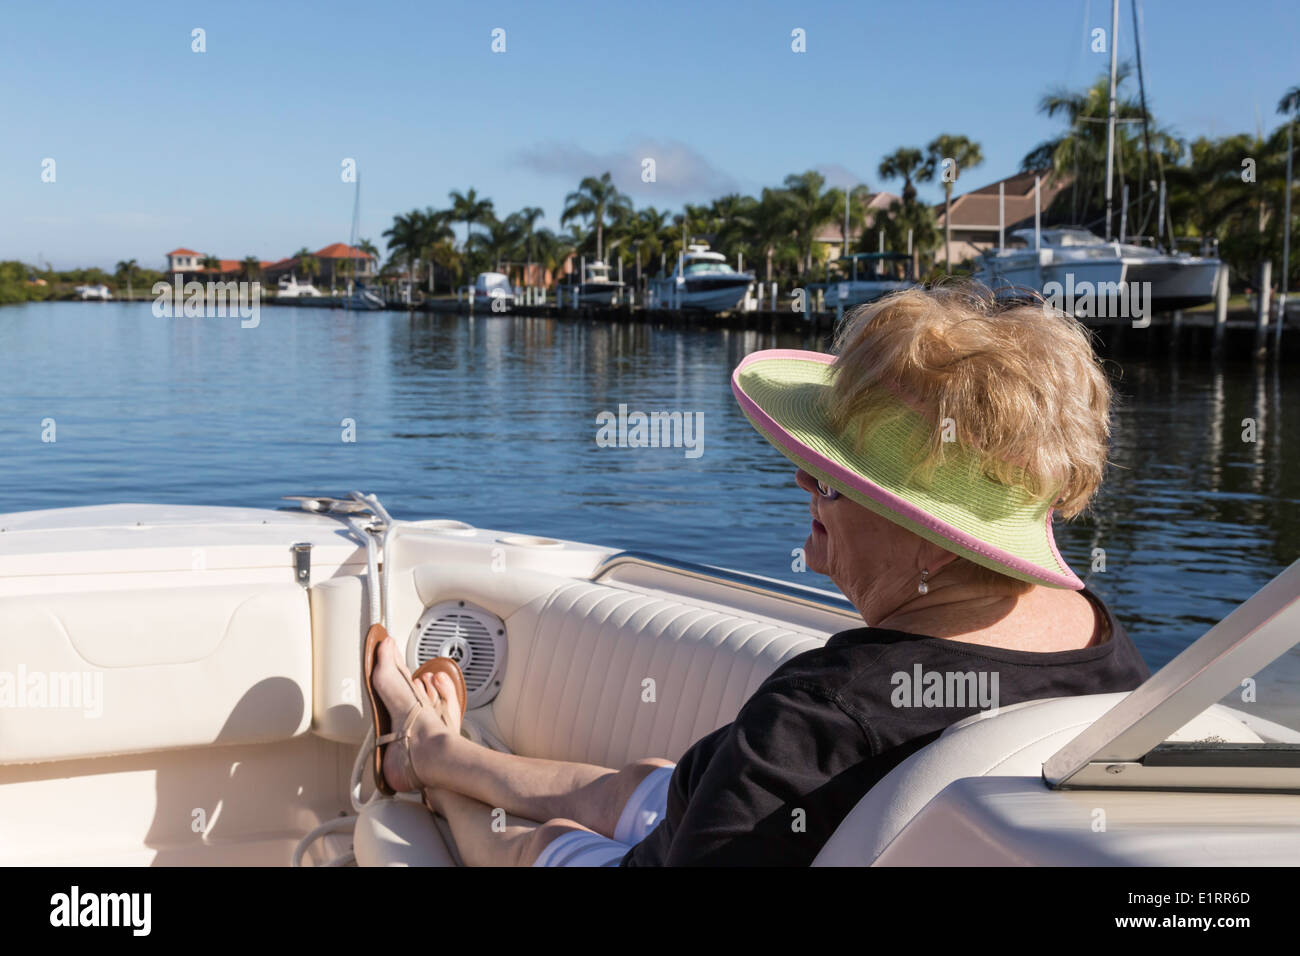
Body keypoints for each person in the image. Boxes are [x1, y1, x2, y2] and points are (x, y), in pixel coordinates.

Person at [366, 283, 1150, 866]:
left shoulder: (824, 713)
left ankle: (432, 783)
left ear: (937, 539)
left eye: (835, 479)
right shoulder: (1102, 645)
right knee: (645, 783)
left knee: (548, 841)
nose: (803, 485)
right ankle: (432, 751)